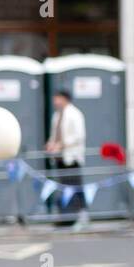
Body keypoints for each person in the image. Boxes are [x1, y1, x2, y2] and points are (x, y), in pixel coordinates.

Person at [45, 89, 89, 229]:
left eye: (57, 98)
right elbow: (54, 134)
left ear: (64, 99)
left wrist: (62, 144)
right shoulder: (57, 115)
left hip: (72, 157)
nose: (55, 101)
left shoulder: (74, 114)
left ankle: (81, 217)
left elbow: (79, 136)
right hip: (60, 157)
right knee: (63, 188)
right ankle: (65, 217)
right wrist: (51, 144)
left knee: (75, 187)